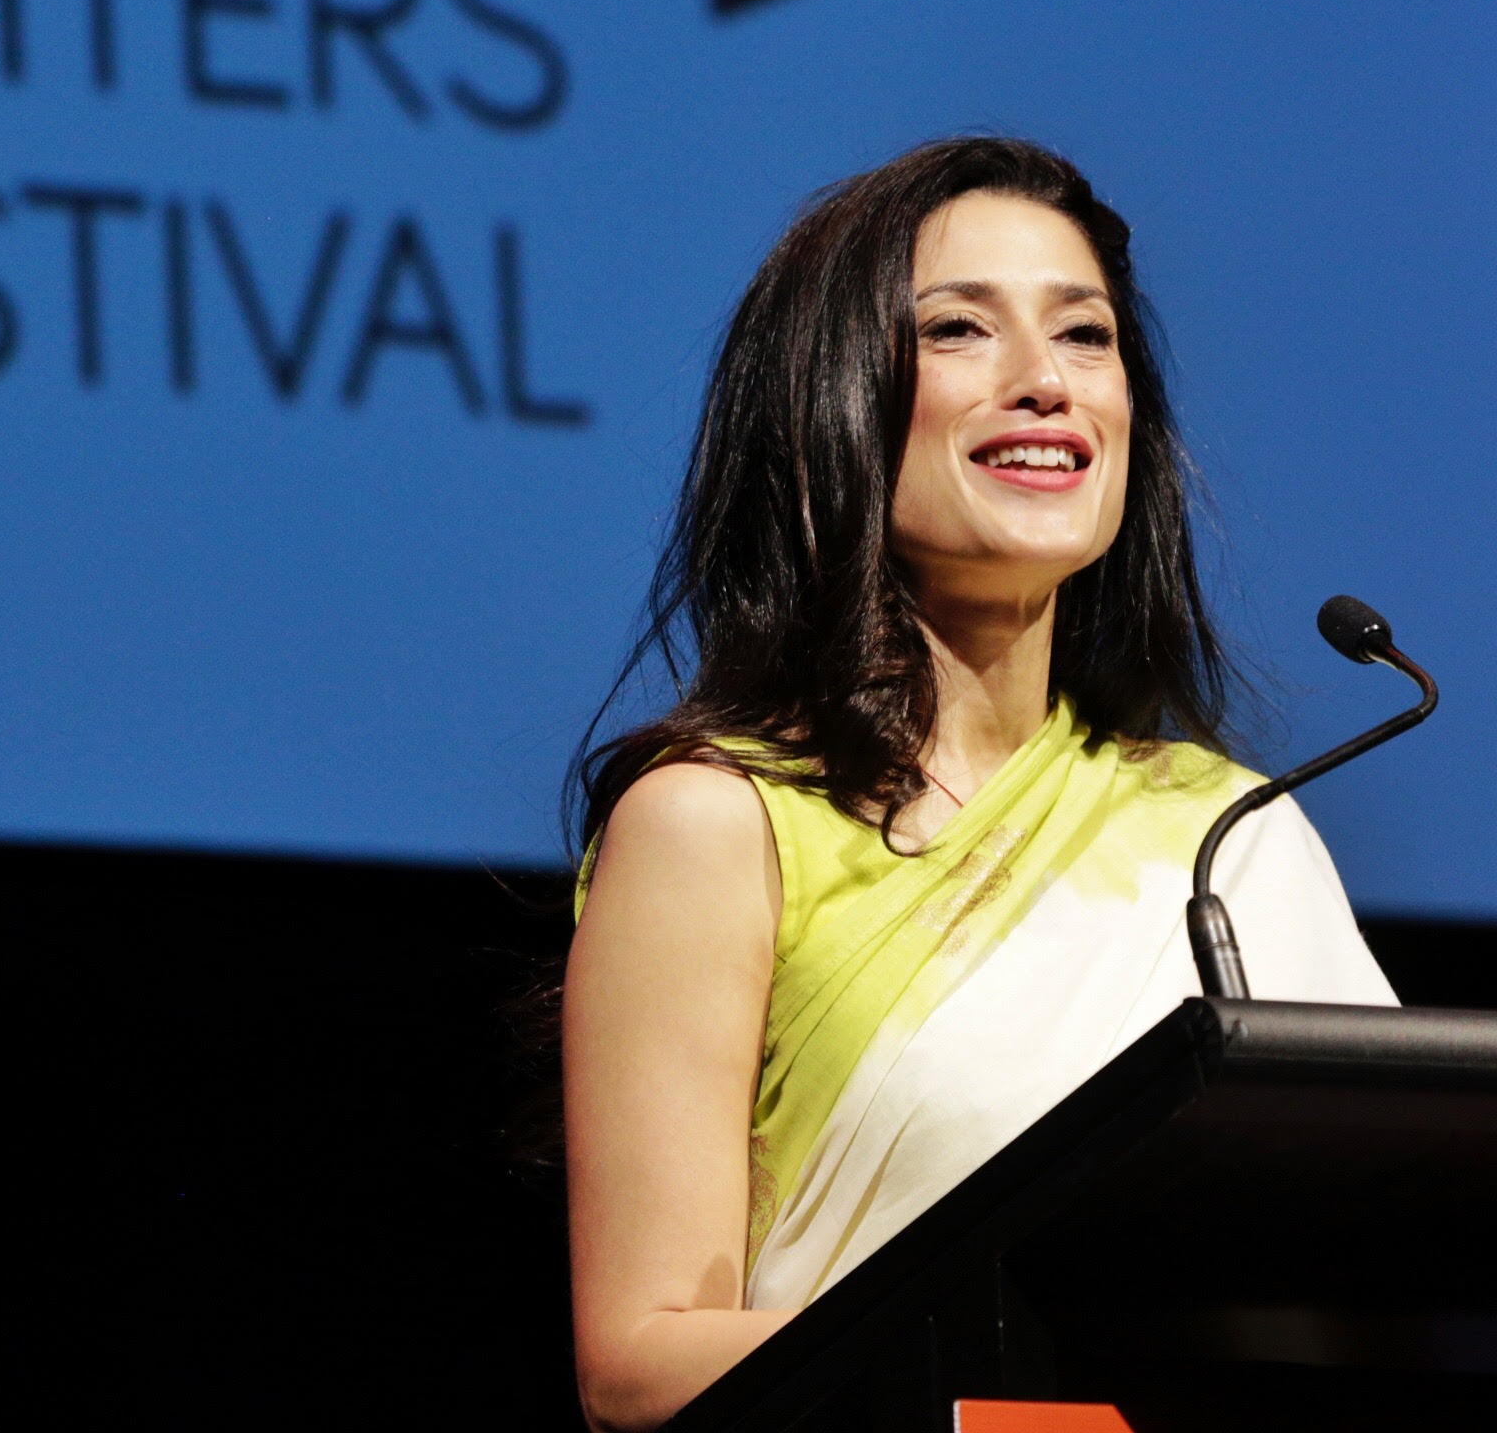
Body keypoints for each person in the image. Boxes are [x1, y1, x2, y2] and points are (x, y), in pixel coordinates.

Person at [561, 138, 1395, 1432]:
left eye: (1086, 335)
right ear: (833, 399)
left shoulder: (1235, 837)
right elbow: (639, 1359)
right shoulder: (715, 823)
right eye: (958, 329)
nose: (1044, 384)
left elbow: (1392, 1262)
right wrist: (1020, 1391)